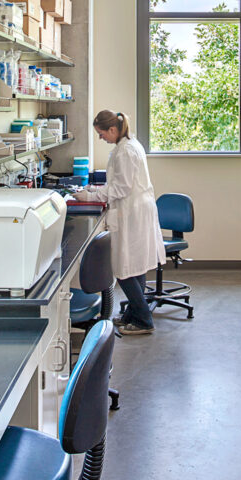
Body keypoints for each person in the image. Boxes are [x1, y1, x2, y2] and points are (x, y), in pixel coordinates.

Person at [76, 110, 165, 335]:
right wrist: (96, 191)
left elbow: (121, 188)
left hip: (132, 212)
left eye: (101, 133)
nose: (101, 138)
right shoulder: (129, 144)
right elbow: (120, 183)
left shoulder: (124, 151)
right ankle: (133, 315)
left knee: (124, 268)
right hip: (137, 209)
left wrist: (90, 196)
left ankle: (144, 320)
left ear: (112, 130)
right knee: (136, 266)